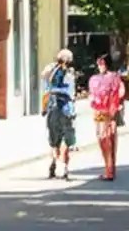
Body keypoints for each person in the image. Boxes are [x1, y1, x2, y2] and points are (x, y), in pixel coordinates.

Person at [88, 54, 126, 181]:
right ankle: (109, 168)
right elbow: (92, 95)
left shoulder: (115, 77)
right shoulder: (95, 78)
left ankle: (110, 170)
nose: (100, 66)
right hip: (99, 112)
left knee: (108, 139)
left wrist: (116, 106)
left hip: (110, 112)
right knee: (102, 139)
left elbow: (121, 93)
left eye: (102, 63)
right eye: (99, 63)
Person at [42, 49, 78, 180]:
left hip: (52, 106)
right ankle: (64, 167)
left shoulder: (50, 71)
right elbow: (71, 92)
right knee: (65, 138)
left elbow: (45, 91)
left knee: (53, 138)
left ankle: (53, 163)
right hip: (66, 107)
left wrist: (44, 108)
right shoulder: (69, 73)